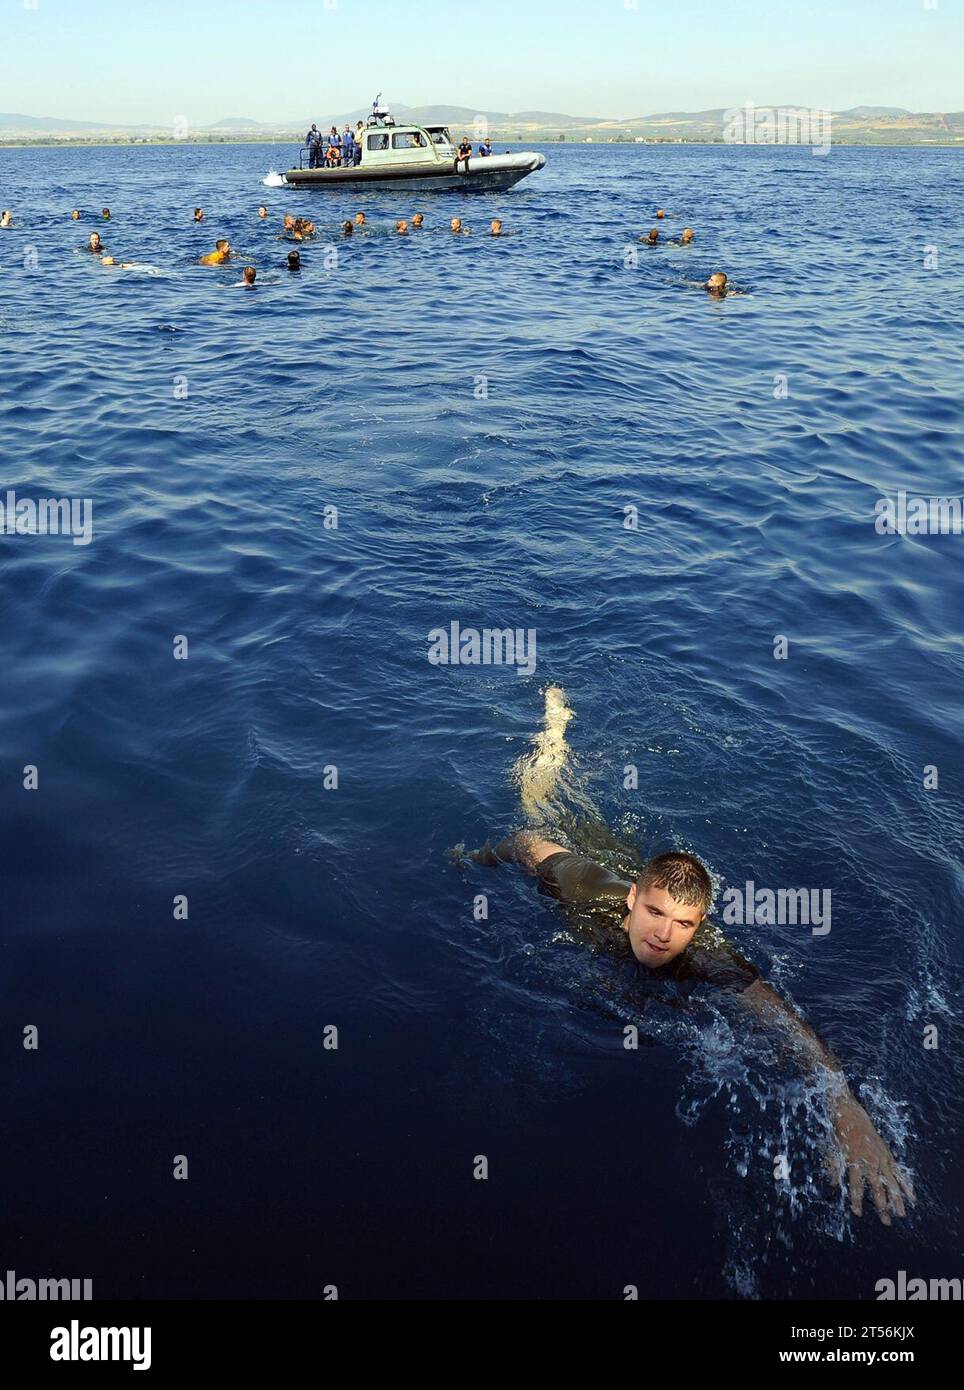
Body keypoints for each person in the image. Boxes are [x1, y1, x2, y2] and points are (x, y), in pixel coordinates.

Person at [462, 687, 916, 1227]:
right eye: (654, 914)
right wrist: (474, 859)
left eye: (682, 924)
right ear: (634, 899)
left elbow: (781, 1020)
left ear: (699, 924)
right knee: (541, 795)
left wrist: (846, 1107)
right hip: (578, 851)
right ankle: (556, 726)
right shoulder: (583, 888)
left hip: (635, 871)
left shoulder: (707, 956)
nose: (662, 936)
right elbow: (526, 841)